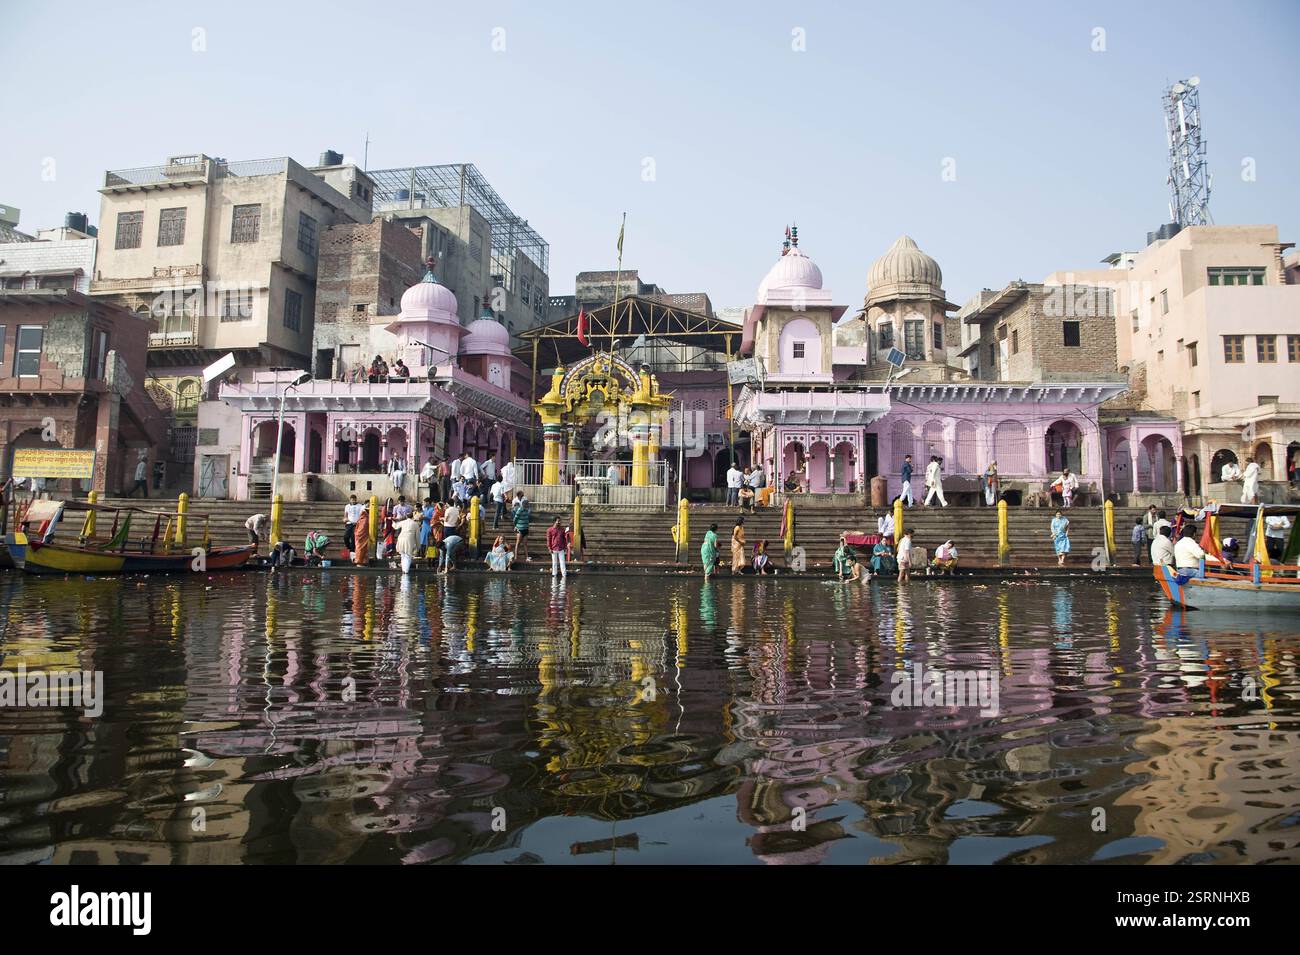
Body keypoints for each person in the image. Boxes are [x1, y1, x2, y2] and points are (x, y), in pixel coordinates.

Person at [512, 492, 531, 562]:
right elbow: (515, 519)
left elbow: (527, 519)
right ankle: (516, 556)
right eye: (527, 505)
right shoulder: (519, 510)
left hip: (526, 528)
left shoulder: (527, 510)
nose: (528, 506)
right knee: (518, 543)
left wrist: (528, 527)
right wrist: (515, 527)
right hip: (520, 528)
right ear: (524, 505)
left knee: (525, 543)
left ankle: (527, 557)